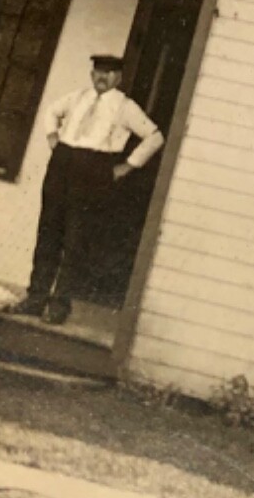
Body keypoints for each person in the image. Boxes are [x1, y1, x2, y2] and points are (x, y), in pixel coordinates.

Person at [13, 54, 163, 323]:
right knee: (48, 231)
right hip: (63, 165)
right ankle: (35, 297)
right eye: (97, 72)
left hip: (95, 169)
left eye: (108, 73)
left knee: (76, 239)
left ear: (118, 77)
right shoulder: (77, 97)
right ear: (92, 74)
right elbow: (51, 111)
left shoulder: (125, 107)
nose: (101, 77)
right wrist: (53, 137)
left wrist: (127, 166)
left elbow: (154, 137)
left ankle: (59, 305)